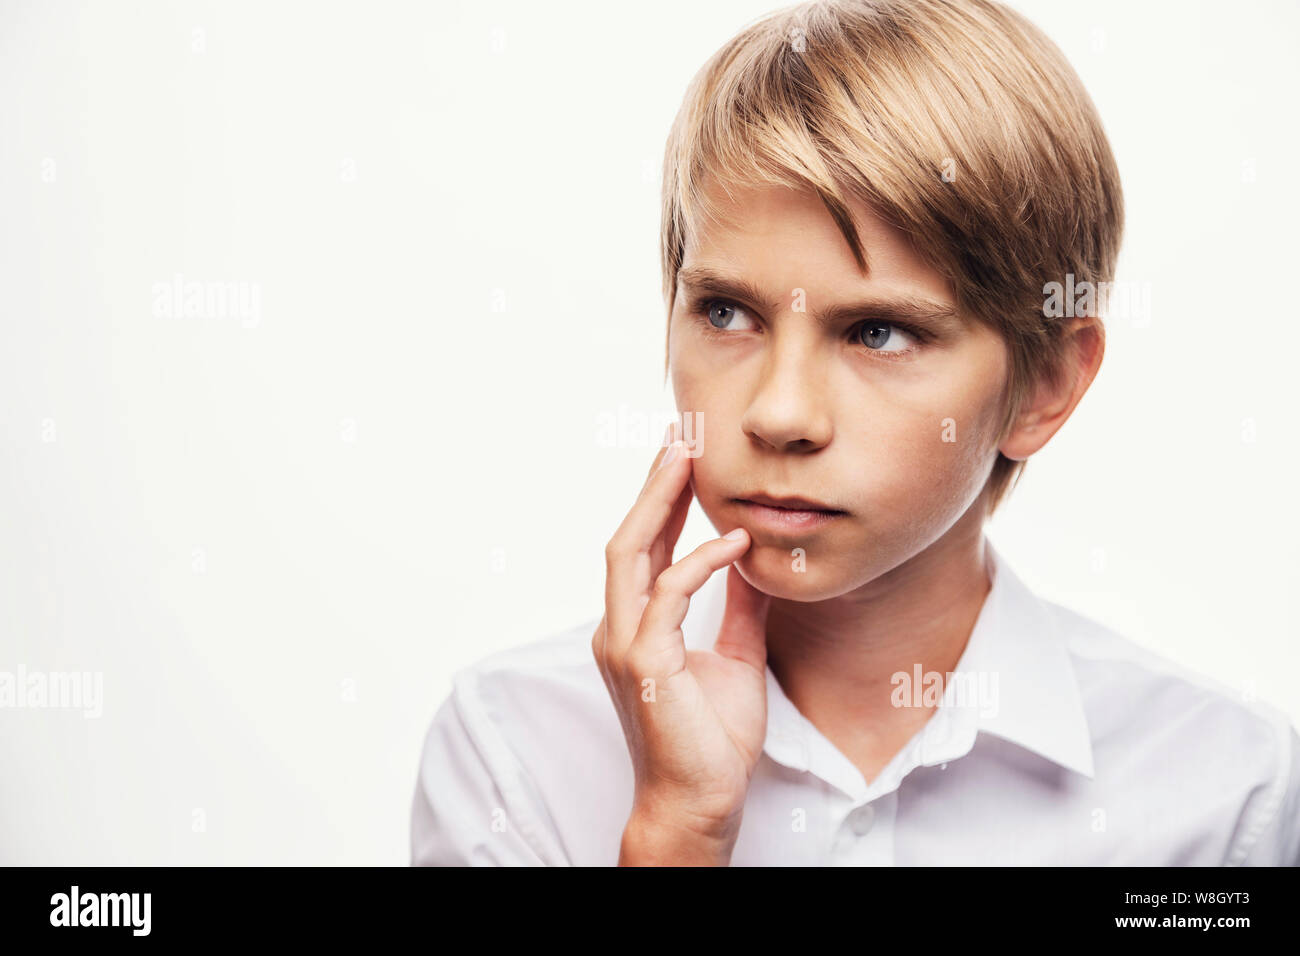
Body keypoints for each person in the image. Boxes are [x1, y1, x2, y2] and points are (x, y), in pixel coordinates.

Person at [410, 0, 1300, 865]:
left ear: (1045, 385)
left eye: (878, 331)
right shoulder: (515, 753)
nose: (778, 414)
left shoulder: (1223, 797)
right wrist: (677, 834)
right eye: (725, 313)